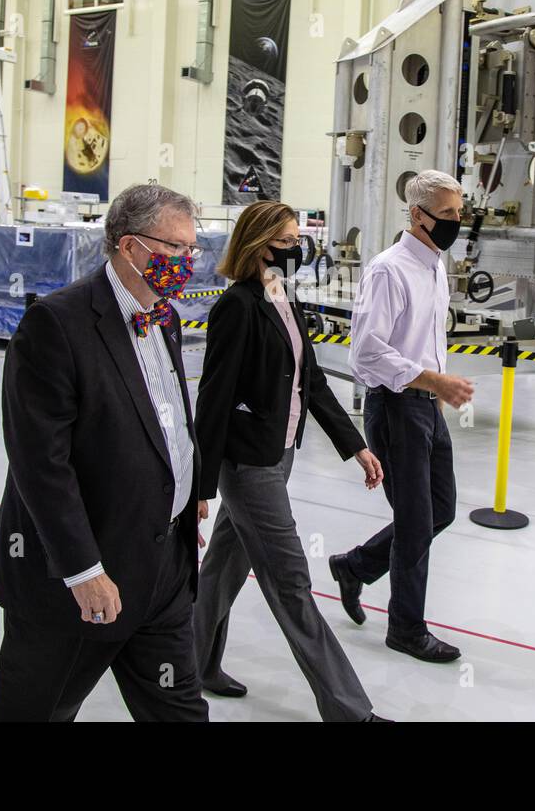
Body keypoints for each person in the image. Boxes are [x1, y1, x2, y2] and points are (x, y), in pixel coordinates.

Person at [0, 183, 209, 722]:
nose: (187, 263)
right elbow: (41, 465)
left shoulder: (167, 318)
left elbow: (167, 418)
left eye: (192, 251)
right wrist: (82, 570)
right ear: (130, 247)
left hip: (163, 568)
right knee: (38, 710)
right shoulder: (57, 325)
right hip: (80, 580)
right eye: (175, 249)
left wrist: (185, 494)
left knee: (180, 711)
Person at [193, 200, 388, 722]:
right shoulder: (236, 307)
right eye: (288, 241)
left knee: (221, 569)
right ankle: (349, 711)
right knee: (292, 585)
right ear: (261, 245)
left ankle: (190, 668)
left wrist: (356, 445)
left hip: (281, 456)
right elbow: (213, 399)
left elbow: (312, 381)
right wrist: (200, 487)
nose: (297, 249)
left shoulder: (283, 294)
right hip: (248, 465)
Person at [328, 170, 475, 663]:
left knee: (441, 508)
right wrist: (435, 381)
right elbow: (366, 355)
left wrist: (435, 389)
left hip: (427, 407)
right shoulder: (389, 269)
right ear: (418, 215)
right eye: (449, 214)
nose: (458, 222)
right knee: (415, 522)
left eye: (460, 212)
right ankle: (406, 628)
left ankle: (355, 566)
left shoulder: (435, 265)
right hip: (395, 408)